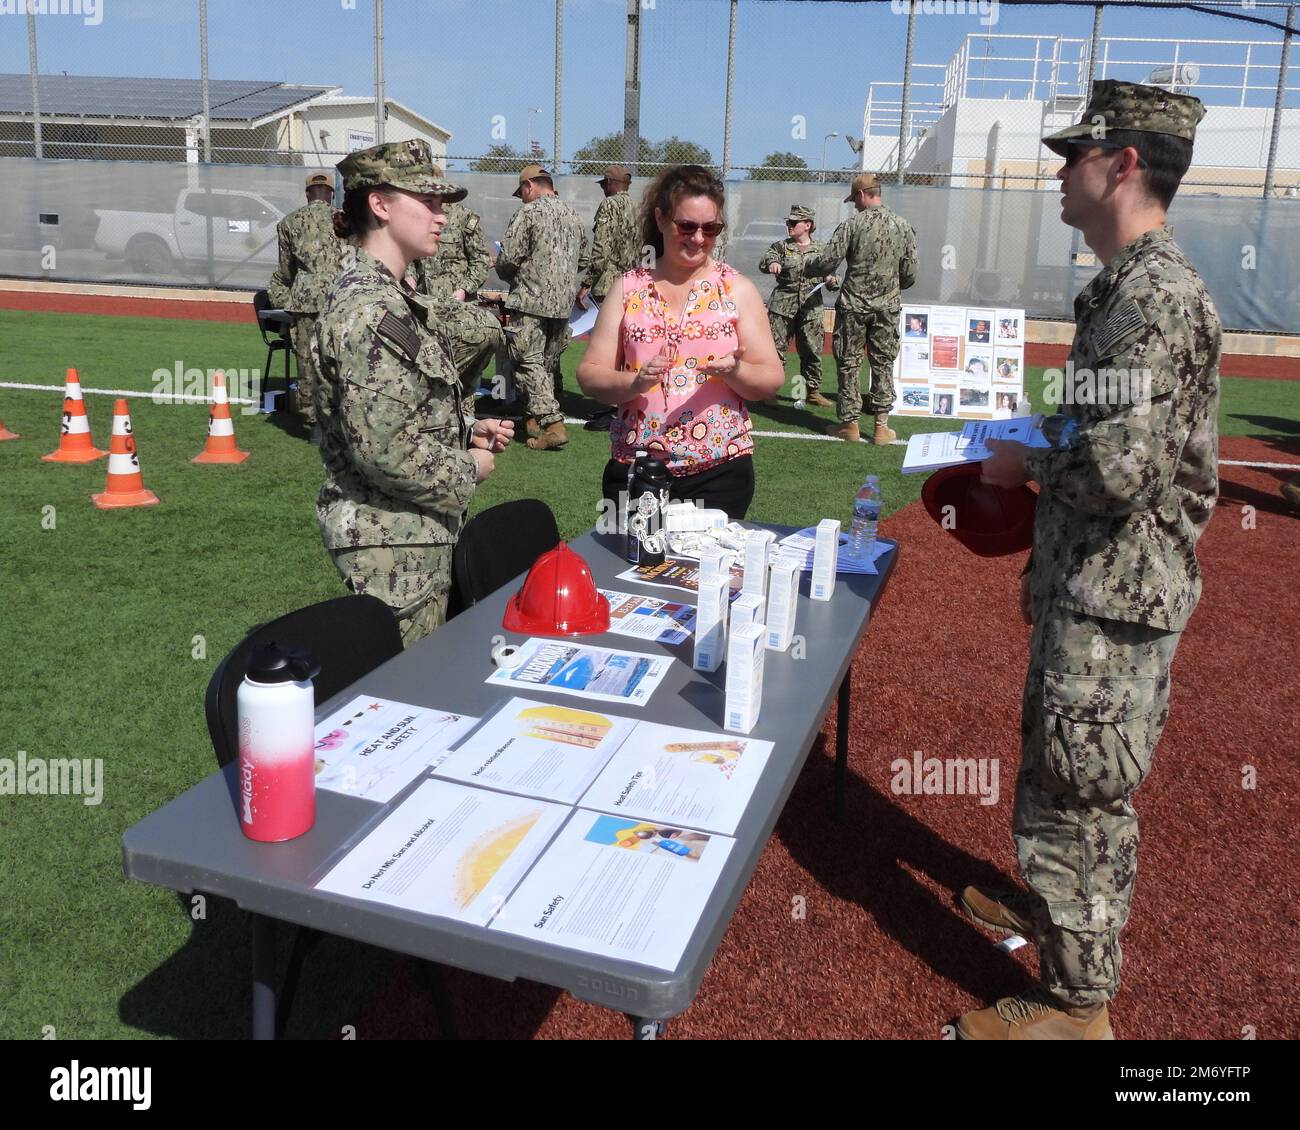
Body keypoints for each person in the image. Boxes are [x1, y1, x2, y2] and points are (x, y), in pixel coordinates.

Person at [964, 82, 1220, 1039]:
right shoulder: (1127, 288)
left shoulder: (1152, 298)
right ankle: (1053, 915)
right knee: (1059, 773)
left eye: (1074, 158)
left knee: (1082, 793)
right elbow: (1109, 436)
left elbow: (1120, 469)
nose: (1059, 175)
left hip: (1115, 603)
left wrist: (1020, 461)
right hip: (1093, 587)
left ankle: (1077, 1008)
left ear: (1123, 166)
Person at [312, 140, 514, 645]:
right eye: (427, 201)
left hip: (412, 533)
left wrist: (465, 429)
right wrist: (469, 467)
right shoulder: (370, 309)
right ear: (380, 204)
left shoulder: (392, 296)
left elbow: (400, 409)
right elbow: (385, 451)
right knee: (408, 685)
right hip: (392, 545)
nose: (441, 215)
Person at [576, 164, 783, 518]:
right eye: (686, 226)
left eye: (710, 228)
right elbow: (590, 374)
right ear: (661, 219)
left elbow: (771, 378)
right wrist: (635, 382)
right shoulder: (628, 287)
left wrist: (735, 372)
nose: (699, 238)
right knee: (632, 554)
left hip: (718, 474)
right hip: (636, 470)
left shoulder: (737, 290)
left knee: (707, 558)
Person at [802, 172, 917, 445]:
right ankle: (881, 427)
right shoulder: (903, 226)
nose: (854, 204)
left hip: (853, 306)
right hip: (887, 307)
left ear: (863, 195)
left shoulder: (852, 225)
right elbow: (910, 273)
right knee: (883, 363)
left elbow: (828, 261)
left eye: (854, 199)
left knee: (849, 363)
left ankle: (850, 425)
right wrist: (890, 287)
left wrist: (808, 266)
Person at [496, 163, 589, 452]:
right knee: (546, 363)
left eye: (521, 192)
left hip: (530, 299)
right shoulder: (572, 215)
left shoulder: (527, 213)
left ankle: (552, 423)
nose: (522, 198)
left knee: (526, 360)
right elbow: (584, 259)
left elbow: (508, 258)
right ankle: (534, 417)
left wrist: (513, 275)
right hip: (562, 304)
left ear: (529, 186)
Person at [267, 172, 346, 429]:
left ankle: (312, 420)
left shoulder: (289, 222)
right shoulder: (344, 220)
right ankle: (340, 416)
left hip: (305, 300)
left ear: (307, 194)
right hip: (339, 299)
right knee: (339, 357)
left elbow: (286, 269)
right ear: (331, 194)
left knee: (307, 360)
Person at [408, 199, 504, 401]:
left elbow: (479, 262)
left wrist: (464, 290)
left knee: (462, 379)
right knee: (428, 369)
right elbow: (411, 259)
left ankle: (464, 415)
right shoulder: (417, 217)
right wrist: (410, 283)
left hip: (459, 311)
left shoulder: (464, 217)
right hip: (426, 309)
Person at [578, 164, 641, 432]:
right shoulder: (638, 208)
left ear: (612, 183)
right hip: (633, 284)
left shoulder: (609, 206)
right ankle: (621, 405)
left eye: (604, 183)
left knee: (611, 348)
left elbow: (601, 248)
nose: (603, 188)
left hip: (610, 285)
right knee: (628, 347)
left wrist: (587, 282)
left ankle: (618, 410)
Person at [760, 204, 838, 408]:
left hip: (811, 309)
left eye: (794, 222)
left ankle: (812, 392)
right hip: (782, 308)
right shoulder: (781, 247)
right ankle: (769, 391)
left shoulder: (821, 249)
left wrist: (831, 280)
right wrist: (772, 263)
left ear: (807, 225)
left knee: (812, 350)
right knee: (775, 350)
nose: (789, 225)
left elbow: (832, 274)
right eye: (789, 222)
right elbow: (766, 260)